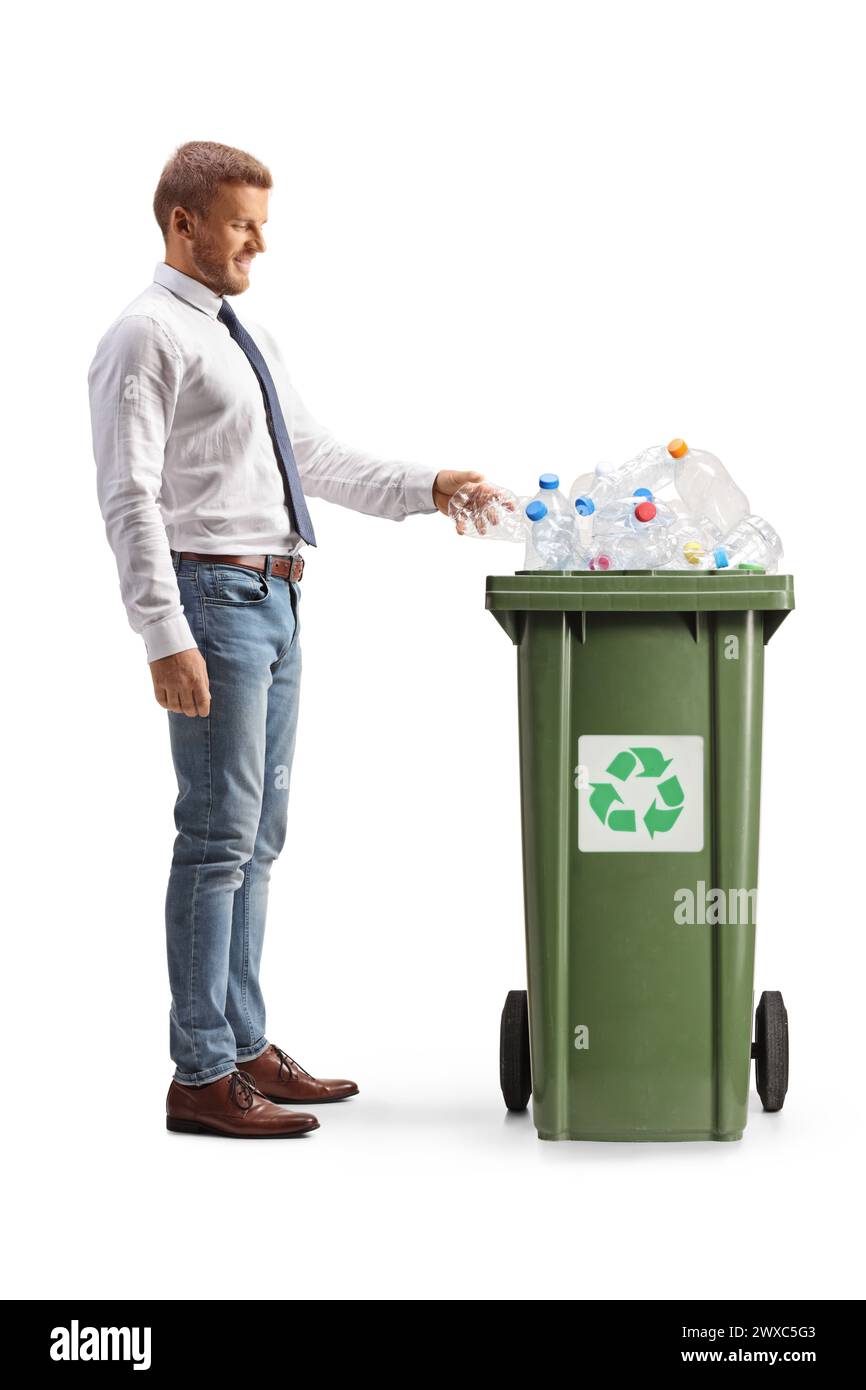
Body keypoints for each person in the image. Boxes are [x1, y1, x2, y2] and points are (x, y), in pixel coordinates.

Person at [88, 140, 490, 1139]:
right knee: (217, 836)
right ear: (181, 221)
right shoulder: (144, 336)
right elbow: (128, 493)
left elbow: (308, 456)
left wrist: (427, 486)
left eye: (261, 221)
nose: (259, 242)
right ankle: (199, 1072)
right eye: (240, 221)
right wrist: (160, 632)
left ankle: (240, 1041)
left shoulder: (241, 333)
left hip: (273, 600)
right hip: (211, 602)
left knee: (257, 838)